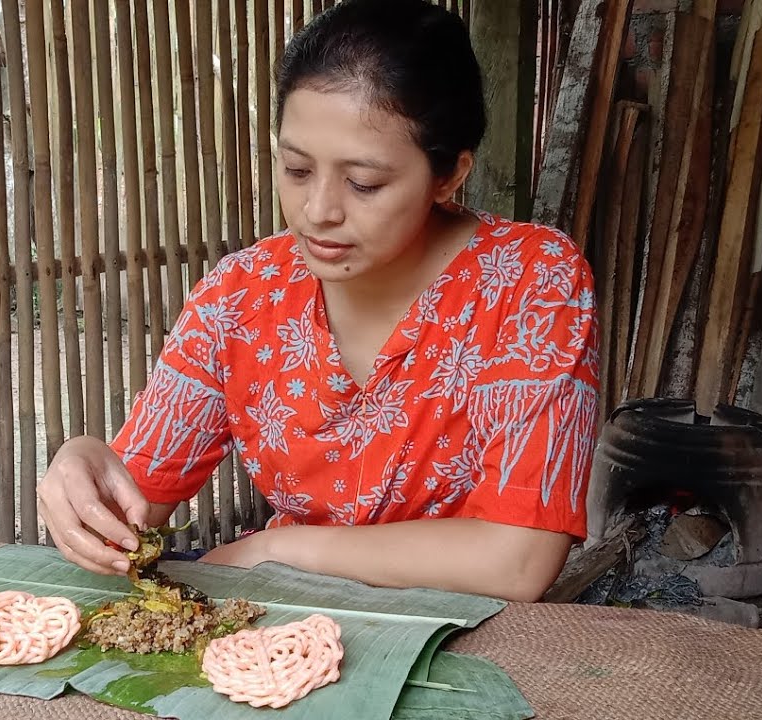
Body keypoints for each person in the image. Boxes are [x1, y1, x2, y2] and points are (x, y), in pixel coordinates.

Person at [37, 0, 599, 603]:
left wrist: (278, 550)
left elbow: (517, 560)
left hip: (468, 633)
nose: (319, 211)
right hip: (284, 632)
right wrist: (83, 463)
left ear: (449, 176)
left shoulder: (530, 283)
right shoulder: (242, 295)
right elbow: (133, 503)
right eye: (297, 169)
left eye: (364, 183)